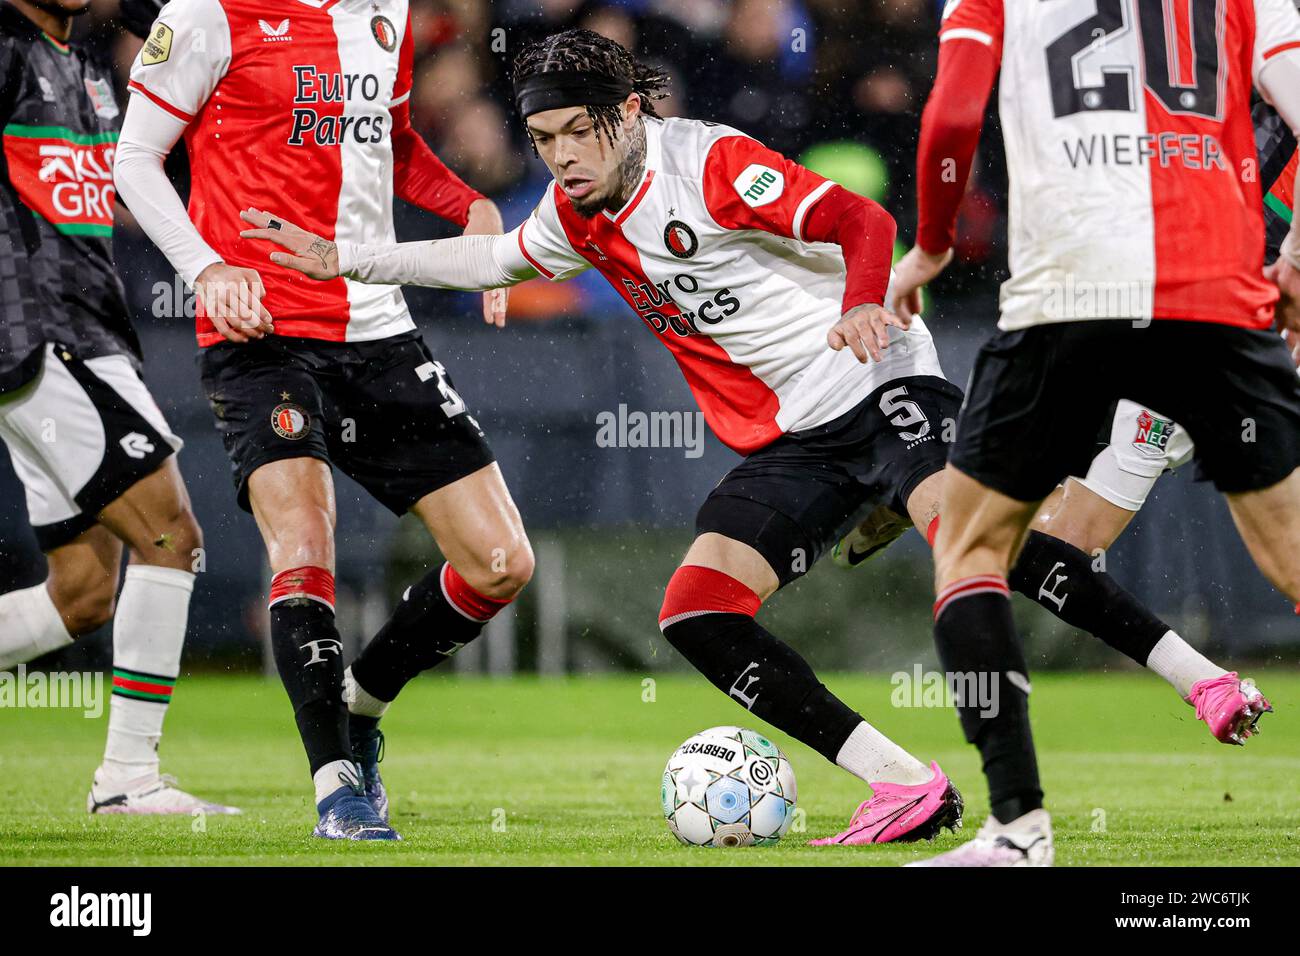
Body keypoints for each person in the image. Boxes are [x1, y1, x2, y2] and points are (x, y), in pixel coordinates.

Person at [240, 28, 1234, 849]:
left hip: (876, 378)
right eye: (541, 140)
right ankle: (901, 782)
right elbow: (493, 259)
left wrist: (856, 310)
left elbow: (861, 220)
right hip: (798, 435)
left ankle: (1194, 682)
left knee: (991, 558)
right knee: (696, 611)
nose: (560, 159)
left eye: (576, 134)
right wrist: (345, 257)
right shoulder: (577, 214)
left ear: (629, 112)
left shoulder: (709, 164)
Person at [884, 0, 1300, 865]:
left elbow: (954, 115)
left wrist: (929, 244)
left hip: (1067, 296)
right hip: (1217, 297)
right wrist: (1292, 261)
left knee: (968, 547)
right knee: (1293, 557)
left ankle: (1018, 830)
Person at [113, 0, 534, 840]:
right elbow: (135, 160)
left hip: (378, 330)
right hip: (259, 327)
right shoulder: (208, 15)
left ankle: (359, 709)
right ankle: (335, 785)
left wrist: (472, 209)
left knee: (499, 564)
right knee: (304, 540)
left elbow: (388, 144)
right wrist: (207, 268)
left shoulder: (388, 16)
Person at [0, 0, 237, 815]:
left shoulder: (90, 67)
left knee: (83, 592)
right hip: (36, 335)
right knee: (171, 534)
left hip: (90, 331)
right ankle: (129, 779)